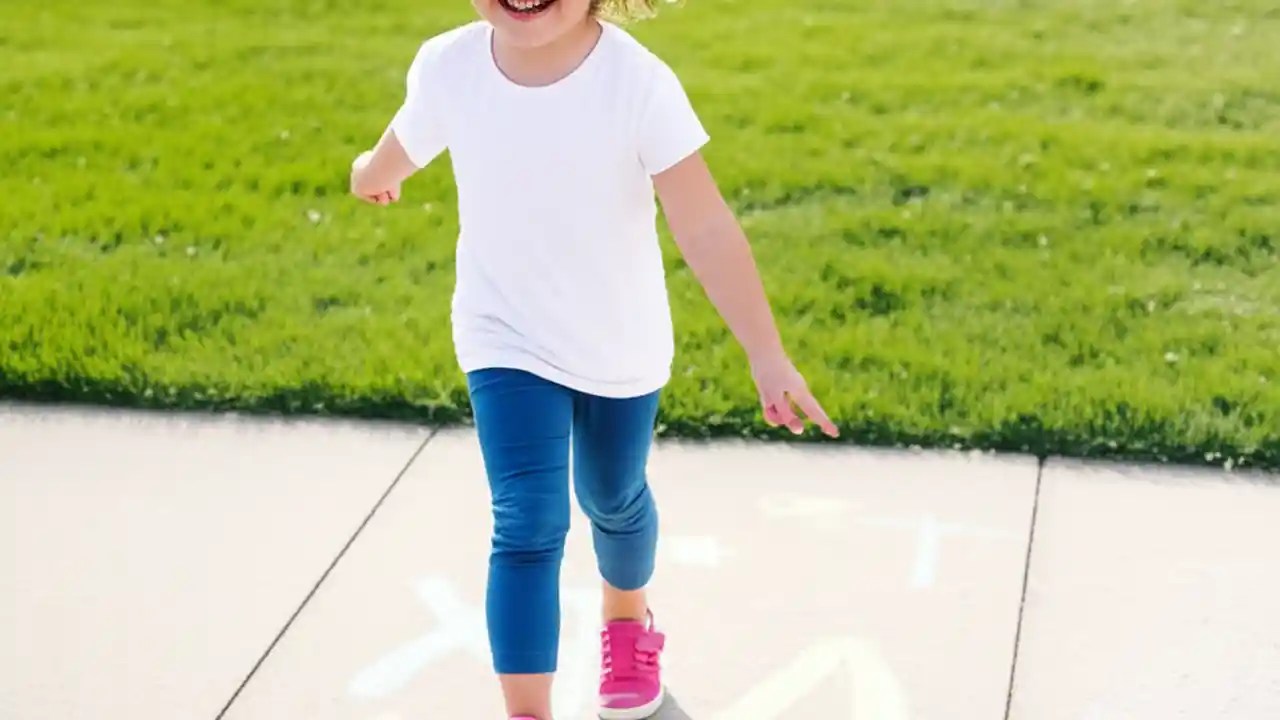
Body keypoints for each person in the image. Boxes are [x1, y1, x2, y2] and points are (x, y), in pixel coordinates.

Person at [349, 1, 838, 717]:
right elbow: (400, 146)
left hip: (619, 341)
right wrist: (369, 173)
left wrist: (766, 353)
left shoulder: (637, 83)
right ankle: (526, 709)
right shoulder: (450, 66)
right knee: (526, 519)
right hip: (503, 336)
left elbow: (703, 226)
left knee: (612, 495)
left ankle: (624, 619)